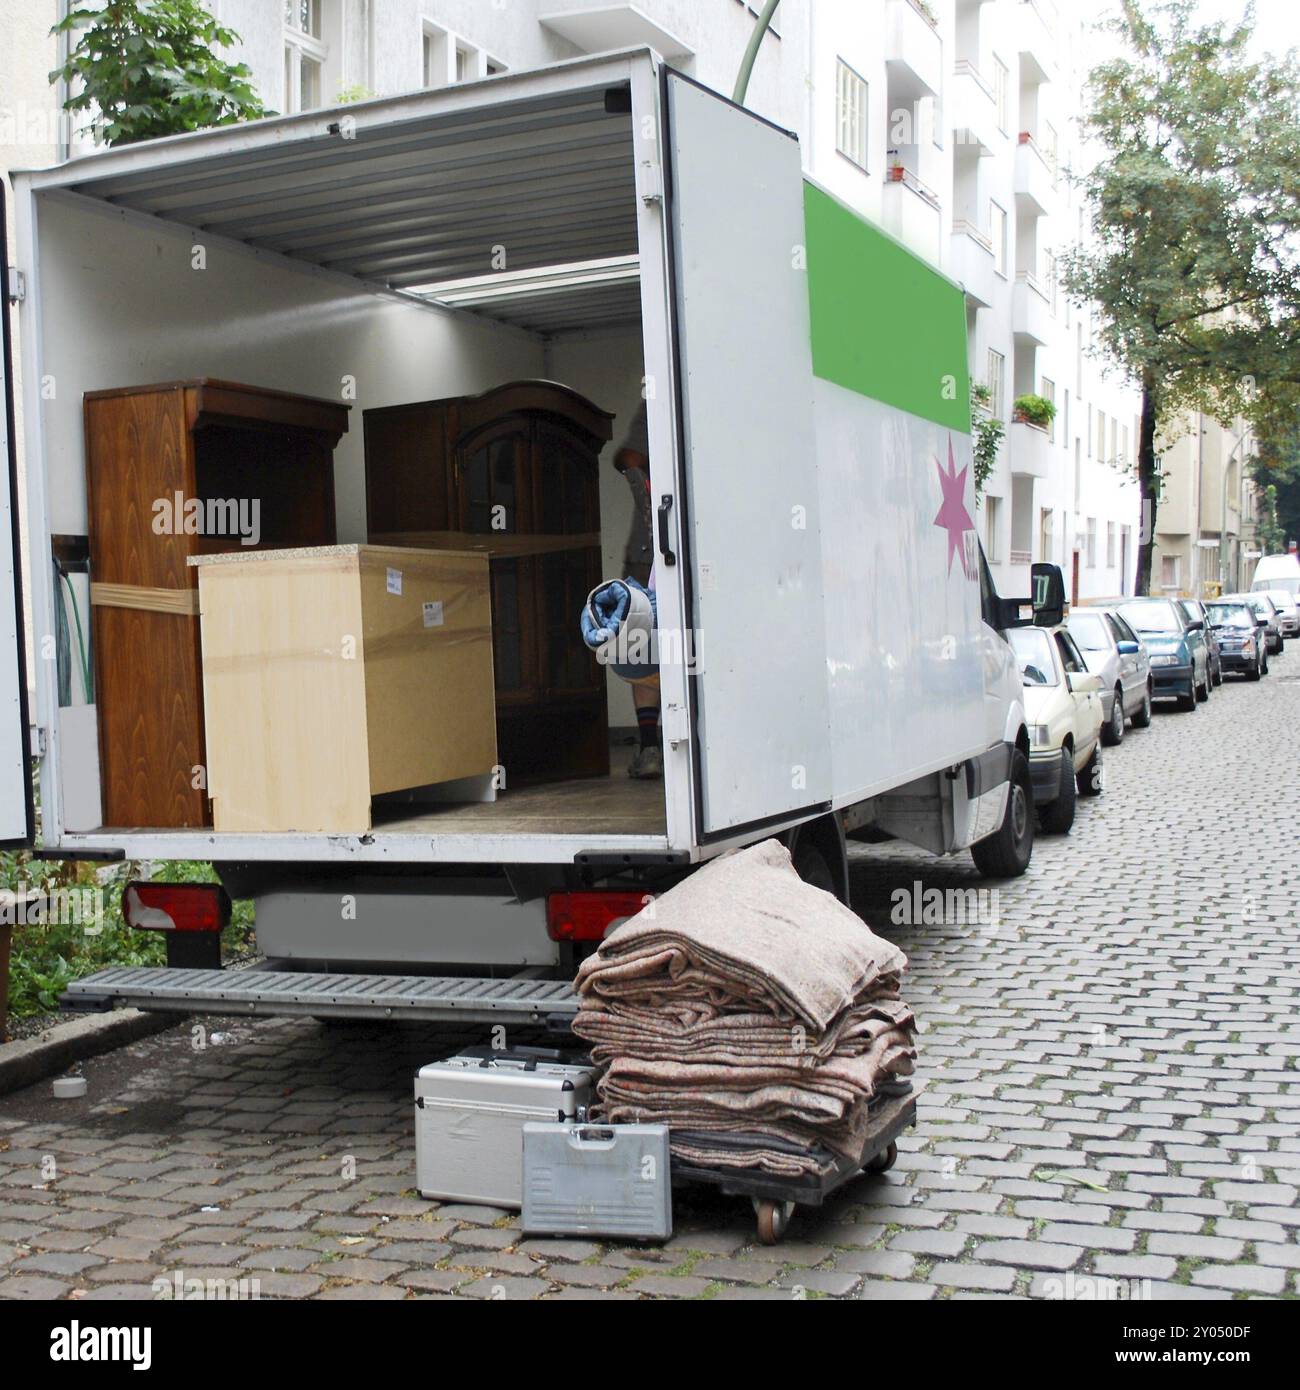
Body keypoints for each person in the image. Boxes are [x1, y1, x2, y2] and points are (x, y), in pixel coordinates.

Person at [610, 397, 661, 780]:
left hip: (657, 557)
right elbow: (627, 457)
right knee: (643, 650)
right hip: (652, 557)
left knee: (645, 650)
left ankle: (654, 749)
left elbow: (627, 456)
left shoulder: (657, 400)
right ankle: (652, 748)